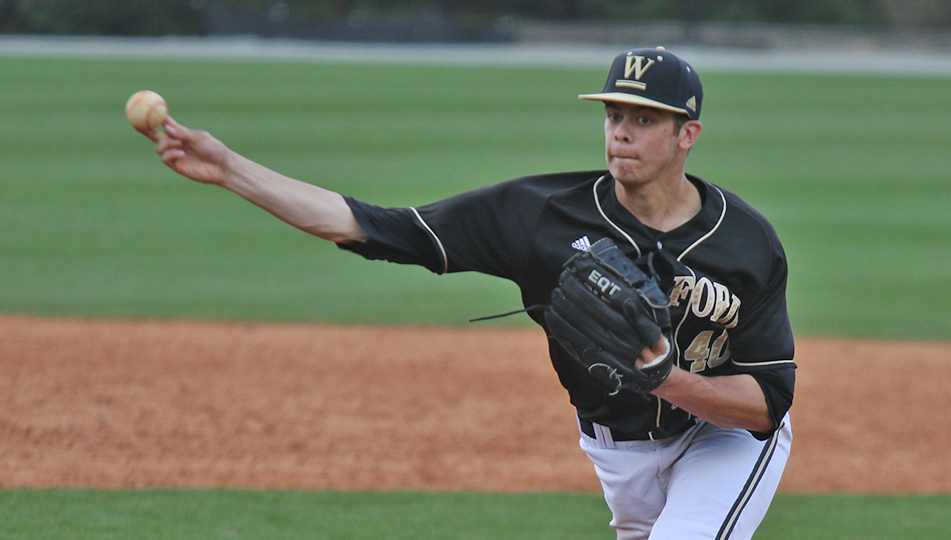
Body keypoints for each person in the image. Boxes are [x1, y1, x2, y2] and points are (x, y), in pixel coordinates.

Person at [144, 47, 795, 540]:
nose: (621, 131)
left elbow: (766, 405)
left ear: (688, 134)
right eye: (614, 114)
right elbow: (375, 228)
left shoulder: (745, 244)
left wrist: (667, 379)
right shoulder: (539, 214)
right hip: (614, 449)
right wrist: (231, 170)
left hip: (719, 438)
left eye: (646, 119)